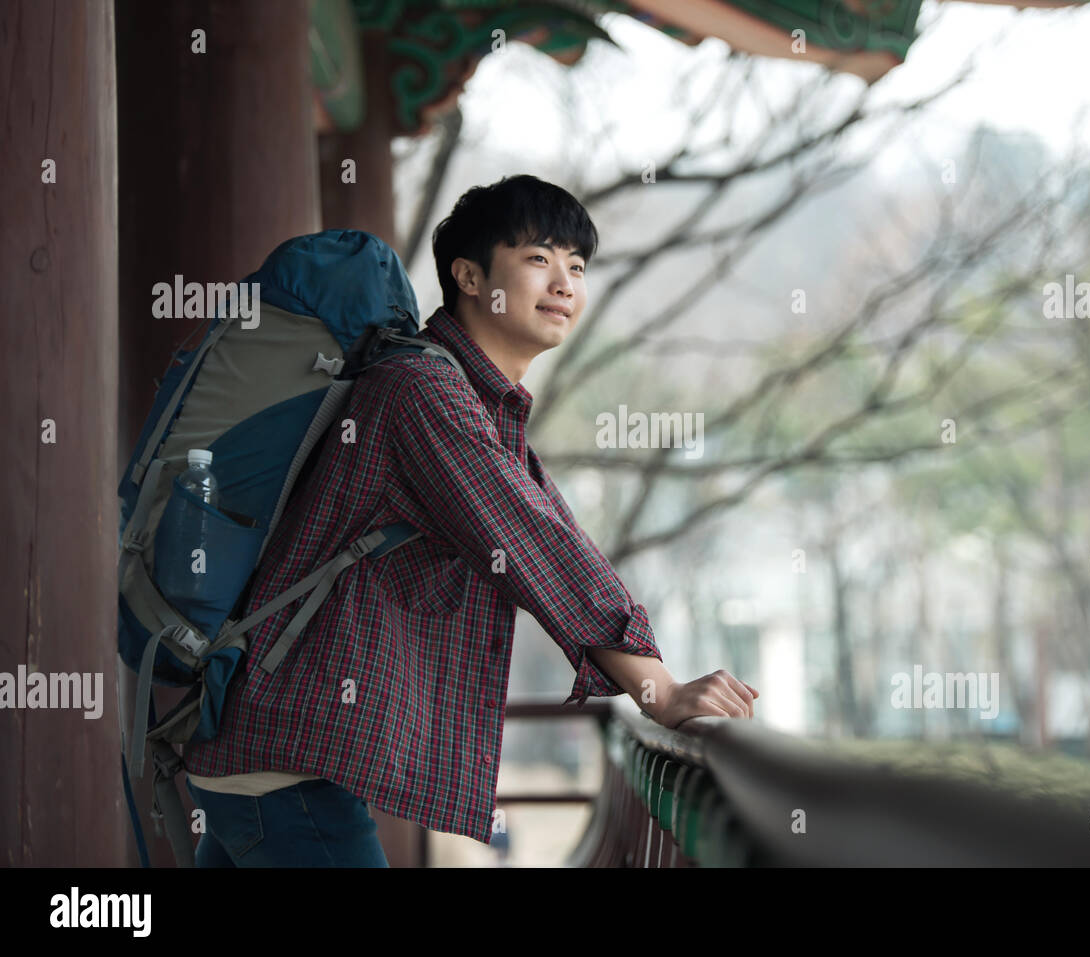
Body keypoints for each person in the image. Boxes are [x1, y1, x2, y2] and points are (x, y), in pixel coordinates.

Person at [181, 174, 759, 867]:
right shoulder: (421, 391)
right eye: (539, 258)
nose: (565, 283)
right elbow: (535, 546)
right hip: (287, 765)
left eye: (577, 266)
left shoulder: (476, 404)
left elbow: (556, 532)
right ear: (468, 273)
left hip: (269, 754)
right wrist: (658, 688)